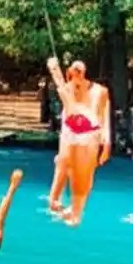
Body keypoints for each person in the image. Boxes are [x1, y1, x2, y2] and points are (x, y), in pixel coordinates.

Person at [46, 57, 110, 227]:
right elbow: (59, 82)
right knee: (63, 164)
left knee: (83, 173)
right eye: (74, 71)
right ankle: (55, 200)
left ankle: (76, 212)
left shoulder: (99, 92)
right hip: (71, 132)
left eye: (80, 71)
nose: (77, 75)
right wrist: (53, 67)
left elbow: (104, 117)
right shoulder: (67, 91)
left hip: (88, 134)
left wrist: (106, 142)